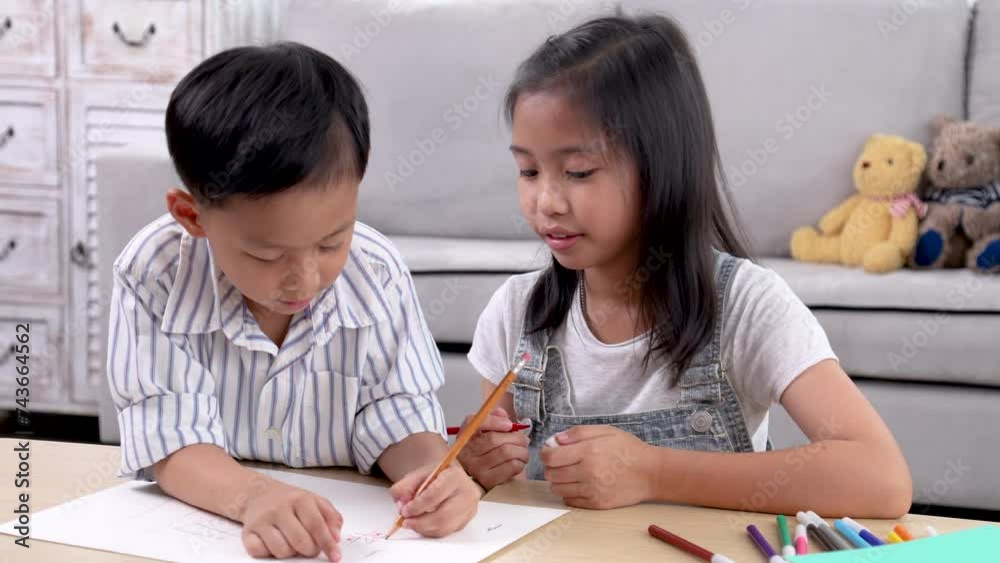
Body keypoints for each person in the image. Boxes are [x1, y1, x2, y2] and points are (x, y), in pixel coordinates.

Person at [459, 14, 912, 518]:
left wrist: (653, 472)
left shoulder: (746, 305)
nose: (546, 201)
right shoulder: (516, 312)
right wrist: (479, 469)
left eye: (578, 172)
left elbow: (880, 477)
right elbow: (501, 485)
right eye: (528, 170)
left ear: (663, 167)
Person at [107, 43, 479, 562]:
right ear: (193, 217)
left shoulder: (375, 272)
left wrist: (434, 475)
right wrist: (254, 496)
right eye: (265, 253)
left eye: (332, 241)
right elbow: (167, 433)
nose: (306, 277)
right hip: (199, 525)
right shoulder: (155, 273)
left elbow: (397, 410)